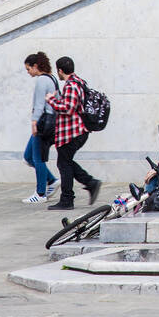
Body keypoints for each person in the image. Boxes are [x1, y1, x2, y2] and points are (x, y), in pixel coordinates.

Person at [45, 56, 101, 211]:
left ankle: (67, 200)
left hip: (71, 132)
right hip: (76, 131)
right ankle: (90, 184)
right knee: (66, 162)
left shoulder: (71, 85)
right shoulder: (80, 82)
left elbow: (68, 108)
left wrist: (51, 100)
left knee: (64, 164)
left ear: (60, 70)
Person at [22, 52, 59, 204]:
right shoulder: (52, 78)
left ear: (35, 66)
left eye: (28, 69)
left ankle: (40, 192)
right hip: (50, 122)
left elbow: (39, 105)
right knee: (29, 156)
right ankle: (52, 181)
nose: (28, 72)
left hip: (42, 123)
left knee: (37, 158)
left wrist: (33, 123)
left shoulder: (42, 80)